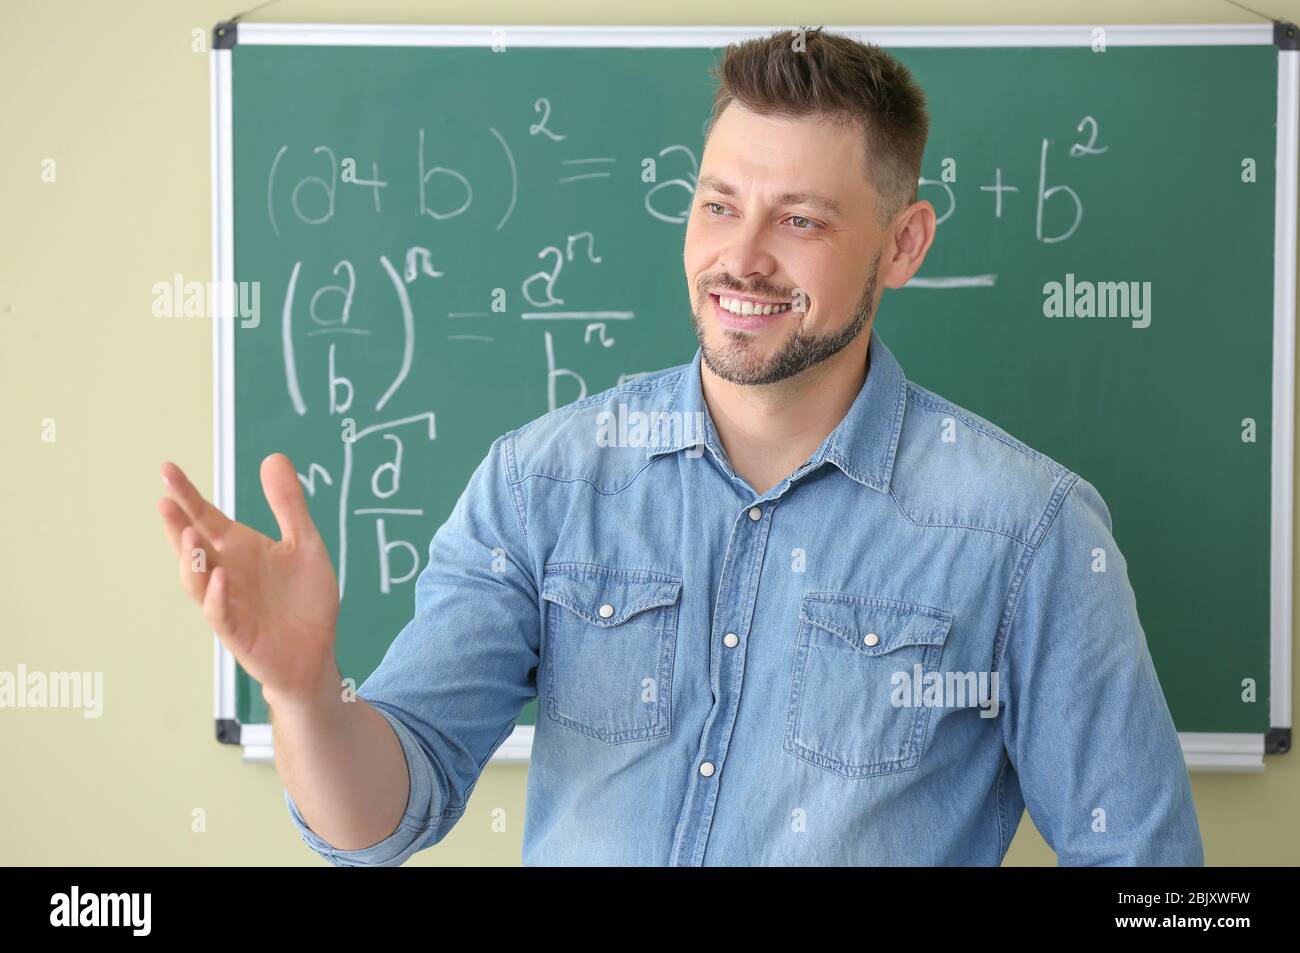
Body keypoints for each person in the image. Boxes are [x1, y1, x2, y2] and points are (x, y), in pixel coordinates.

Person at [158, 27, 1202, 866]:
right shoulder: (543, 482)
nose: (739, 257)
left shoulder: (1030, 532)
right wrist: (304, 692)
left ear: (903, 244)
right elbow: (379, 821)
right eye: (717, 205)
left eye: (799, 219)